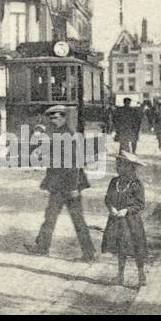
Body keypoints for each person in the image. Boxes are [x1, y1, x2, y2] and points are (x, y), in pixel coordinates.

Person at [25, 106, 96, 261]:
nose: (53, 121)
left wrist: (73, 187)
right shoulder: (57, 134)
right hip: (58, 184)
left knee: (77, 220)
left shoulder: (68, 135)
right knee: (50, 216)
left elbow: (75, 163)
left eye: (56, 118)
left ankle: (88, 253)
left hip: (69, 185)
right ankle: (42, 246)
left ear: (63, 118)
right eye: (51, 118)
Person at [101, 150, 149, 287]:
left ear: (130, 167)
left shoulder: (136, 185)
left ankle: (141, 275)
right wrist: (112, 209)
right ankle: (120, 275)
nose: (117, 167)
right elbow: (107, 199)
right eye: (117, 164)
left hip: (132, 222)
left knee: (136, 248)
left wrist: (126, 210)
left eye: (121, 165)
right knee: (121, 248)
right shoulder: (114, 182)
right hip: (117, 221)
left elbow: (140, 204)